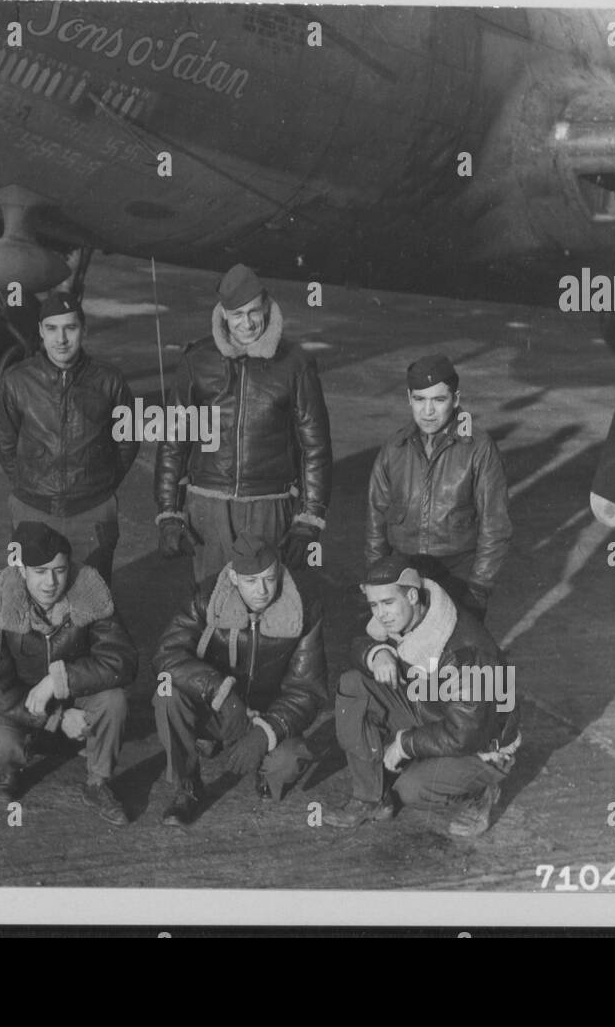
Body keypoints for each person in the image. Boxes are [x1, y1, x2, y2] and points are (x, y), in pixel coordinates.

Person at [154, 263, 332, 586]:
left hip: (269, 507)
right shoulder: (197, 361)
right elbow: (172, 441)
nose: (247, 323)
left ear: (266, 305)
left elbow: (315, 448)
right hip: (207, 508)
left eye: (253, 312)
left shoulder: (296, 364)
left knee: (267, 605)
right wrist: (169, 512)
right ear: (223, 314)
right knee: (212, 604)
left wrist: (309, 520)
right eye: (237, 315)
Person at [326, 557, 521, 836]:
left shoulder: (464, 652)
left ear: (413, 595)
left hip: (484, 745)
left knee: (410, 789)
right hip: (433, 710)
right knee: (354, 685)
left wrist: (406, 744)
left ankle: (480, 791)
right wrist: (377, 653)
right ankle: (370, 798)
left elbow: (466, 734)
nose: (380, 614)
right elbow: (359, 637)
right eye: (373, 605)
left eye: (387, 603)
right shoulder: (406, 612)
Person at [151, 533, 327, 827]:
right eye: (250, 581)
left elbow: (307, 690)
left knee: (286, 765)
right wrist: (221, 693)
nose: (262, 590)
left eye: (270, 579)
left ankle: (262, 767)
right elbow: (166, 655)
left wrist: (265, 733)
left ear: (280, 570)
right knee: (166, 694)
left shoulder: (303, 610)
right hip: (219, 708)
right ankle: (188, 785)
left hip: (268, 715)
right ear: (233, 577)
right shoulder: (207, 599)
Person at [0, 522, 138, 825]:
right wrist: (55, 720)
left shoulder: (89, 591)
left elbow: (122, 660)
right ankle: (10, 770)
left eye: (59, 571)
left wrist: (59, 680)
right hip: (21, 708)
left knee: (113, 700)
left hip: (74, 699)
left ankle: (98, 782)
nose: (50, 582)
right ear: (21, 570)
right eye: (39, 572)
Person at [0, 292, 139, 582]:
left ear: (83, 330)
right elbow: (4, 442)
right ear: (40, 332)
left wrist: (99, 485)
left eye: (70, 328)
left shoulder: (109, 380)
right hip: (33, 507)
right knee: (34, 596)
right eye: (52, 329)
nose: (61, 339)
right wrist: (30, 486)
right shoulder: (16, 380)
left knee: (93, 598)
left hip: (93, 508)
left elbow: (127, 441)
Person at [364, 354, 511, 621]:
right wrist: (378, 579)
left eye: (439, 400)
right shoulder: (394, 449)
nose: (428, 411)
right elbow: (376, 522)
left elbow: (495, 527)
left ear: (455, 400)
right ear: (409, 398)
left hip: (457, 574)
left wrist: (478, 589)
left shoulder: (478, 448)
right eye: (420, 399)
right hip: (403, 571)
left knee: (455, 658)